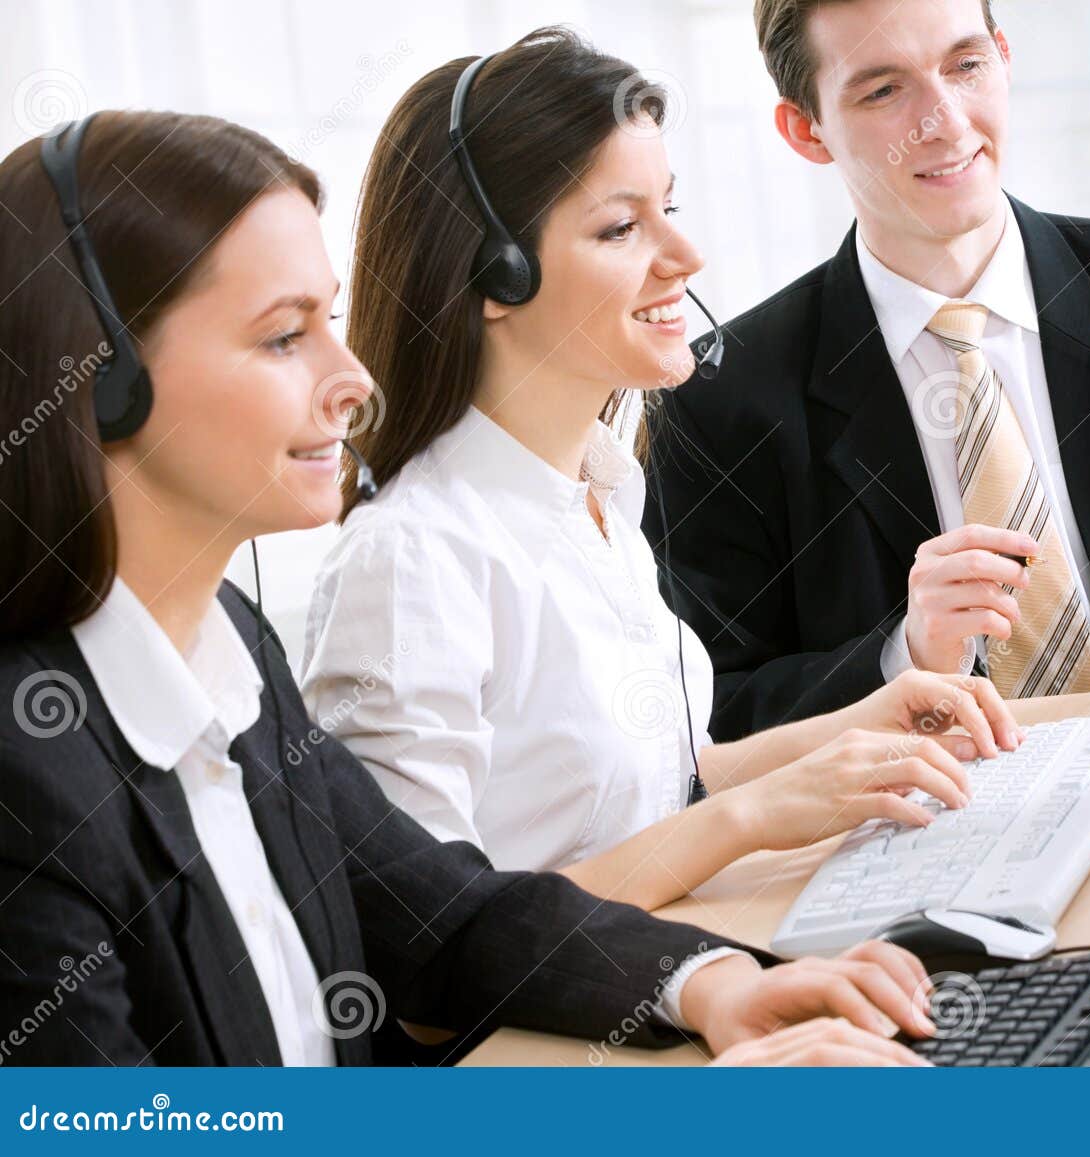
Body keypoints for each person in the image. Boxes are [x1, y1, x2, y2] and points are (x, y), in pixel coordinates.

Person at [0, 108, 936, 1067]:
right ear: (101, 380)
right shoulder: (25, 776)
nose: (351, 378)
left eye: (329, 319)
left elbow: (442, 918)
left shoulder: (227, 648)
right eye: (285, 338)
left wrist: (720, 984)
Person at [300, 28, 1019, 911]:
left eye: (668, 210)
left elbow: (662, 782)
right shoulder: (412, 559)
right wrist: (750, 815)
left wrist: (872, 720)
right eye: (620, 228)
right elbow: (428, 944)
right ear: (496, 273)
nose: (684, 259)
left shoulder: (598, 496)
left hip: (656, 973)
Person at [646, 0, 1090, 740]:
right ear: (806, 129)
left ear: (1005, 58)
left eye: (965, 66)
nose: (946, 122)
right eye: (884, 90)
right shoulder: (716, 399)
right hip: (938, 822)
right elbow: (710, 714)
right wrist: (905, 657)